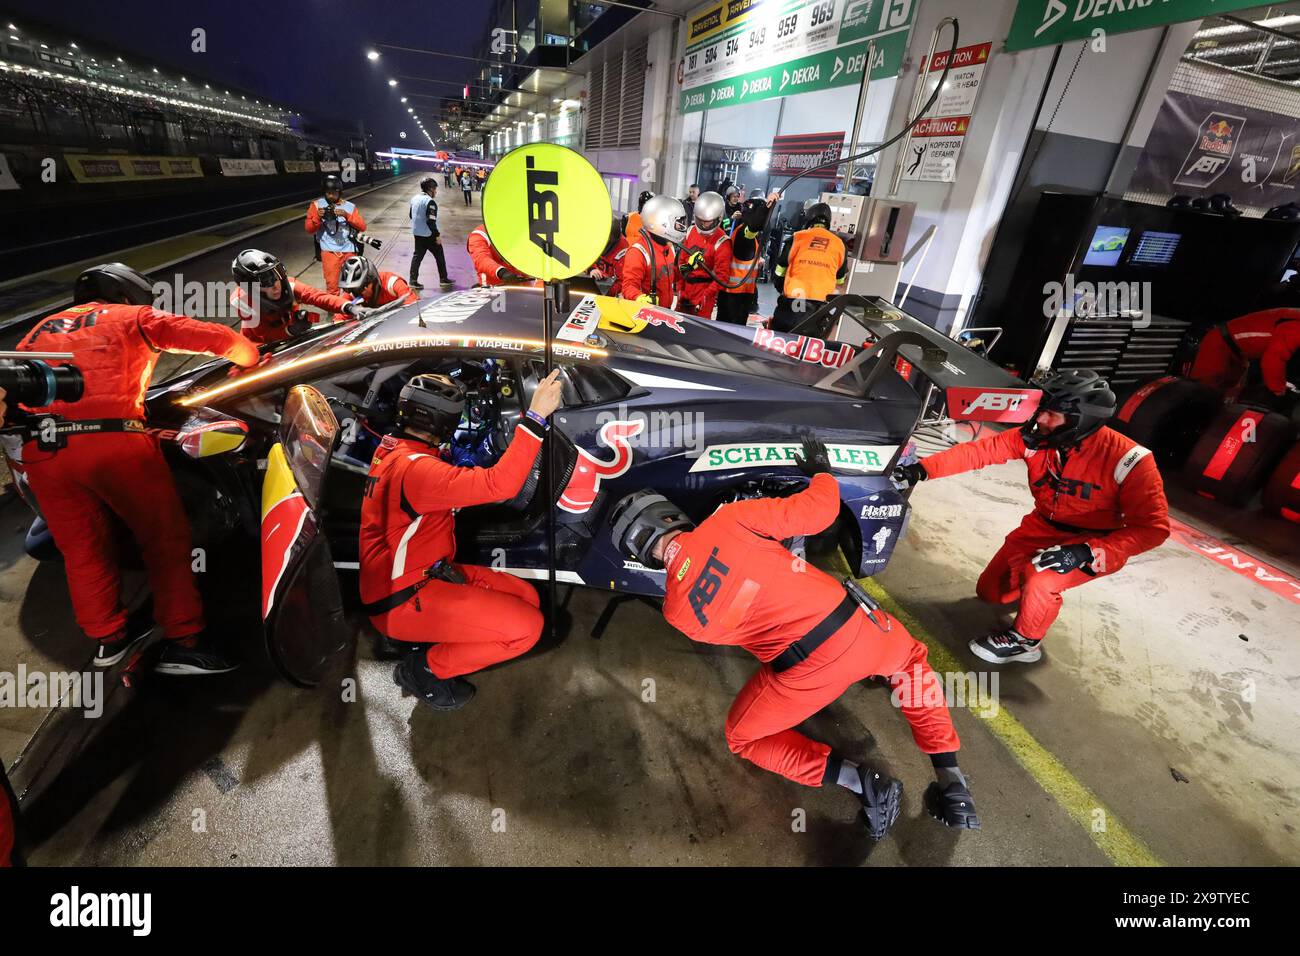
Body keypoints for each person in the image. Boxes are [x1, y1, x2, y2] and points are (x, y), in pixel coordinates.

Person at [610, 437, 979, 839]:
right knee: (910, 666)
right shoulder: (728, 520)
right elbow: (820, 512)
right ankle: (951, 779)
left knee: (744, 737)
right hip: (860, 623)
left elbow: (742, 624)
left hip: (808, 672)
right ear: (669, 516)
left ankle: (859, 781)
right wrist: (820, 472)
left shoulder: (677, 613)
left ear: (640, 553)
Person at [15, 263, 259, 673]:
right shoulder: (133, 317)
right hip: (114, 443)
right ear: (128, 295)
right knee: (165, 540)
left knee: (82, 551)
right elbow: (218, 339)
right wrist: (249, 357)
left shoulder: (38, 331)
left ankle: (109, 637)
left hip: (45, 452)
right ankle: (186, 641)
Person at [896, 370, 1170, 664]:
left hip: (1094, 541)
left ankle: (1026, 642)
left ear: (1082, 419)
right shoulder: (1039, 438)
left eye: (1051, 414)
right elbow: (979, 452)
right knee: (990, 592)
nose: (1040, 419)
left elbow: (1153, 528)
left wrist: (1085, 552)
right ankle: (1033, 593)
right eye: (1042, 410)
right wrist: (921, 470)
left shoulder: (1130, 460)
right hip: (1041, 526)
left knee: (1042, 579)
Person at [359, 368, 564, 710]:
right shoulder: (419, 472)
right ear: (442, 422)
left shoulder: (395, 449)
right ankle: (424, 670)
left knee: (526, 596)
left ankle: (434, 641)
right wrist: (536, 418)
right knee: (528, 628)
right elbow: (501, 484)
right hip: (405, 597)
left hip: (423, 573)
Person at [229, 249, 366, 344]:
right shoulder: (242, 301)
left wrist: (349, 307)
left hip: (291, 335)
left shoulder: (288, 284)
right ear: (250, 287)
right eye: (265, 281)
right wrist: (291, 330)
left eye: (276, 275)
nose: (276, 285)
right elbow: (263, 334)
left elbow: (317, 296)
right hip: (258, 346)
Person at [1188, 308, 1300, 399]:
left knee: (1226, 398)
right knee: (1201, 394)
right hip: (1219, 345)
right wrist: (1278, 390)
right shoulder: (1296, 326)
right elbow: (1273, 359)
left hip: (1238, 352)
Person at [771, 201, 845, 333]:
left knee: (784, 340)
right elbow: (840, 280)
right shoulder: (839, 244)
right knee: (811, 345)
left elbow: (780, 270)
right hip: (822, 305)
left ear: (809, 219)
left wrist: (780, 287)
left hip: (795, 300)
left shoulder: (797, 238)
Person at [305, 174, 367, 293]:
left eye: (334, 192)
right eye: (328, 192)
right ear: (324, 192)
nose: (331, 195)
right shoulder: (316, 206)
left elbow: (362, 227)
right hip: (329, 252)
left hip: (349, 250)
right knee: (332, 287)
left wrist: (346, 215)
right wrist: (317, 217)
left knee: (353, 285)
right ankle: (334, 310)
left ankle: (350, 309)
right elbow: (309, 229)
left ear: (340, 192)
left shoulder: (349, 207)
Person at [621, 195, 686, 308]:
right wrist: (640, 298)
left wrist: (687, 268)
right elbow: (628, 287)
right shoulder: (638, 252)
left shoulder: (668, 247)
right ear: (663, 222)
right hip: (647, 315)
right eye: (678, 222)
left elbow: (669, 275)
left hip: (665, 311)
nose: (681, 227)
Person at [716, 196, 772, 325]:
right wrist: (765, 209)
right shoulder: (744, 233)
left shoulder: (740, 230)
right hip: (736, 297)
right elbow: (754, 226)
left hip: (734, 293)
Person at [676, 190, 730, 319]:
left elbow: (721, 277)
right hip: (685, 290)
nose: (704, 224)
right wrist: (680, 289)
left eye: (708, 221)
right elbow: (681, 262)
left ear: (718, 218)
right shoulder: (690, 232)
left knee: (699, 332)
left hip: (704, 293)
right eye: (701, 220)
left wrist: (705, 296)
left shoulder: (722, 242)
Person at [409, 176, 453, 292]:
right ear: (430, 189)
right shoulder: (430, 202)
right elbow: (431, 221)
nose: (436, 191)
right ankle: (443, 279)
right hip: (428, 234)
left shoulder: (414, 198)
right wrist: (437, 235)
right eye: (435, 189)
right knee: (439, 255)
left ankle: (413, 281)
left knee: (417, 257)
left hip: (417, 233)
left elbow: (410, 215)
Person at [337, 256, 417, 316]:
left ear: (373, 280)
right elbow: (339, 321)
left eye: (361, 288)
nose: (359, 294)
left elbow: (415, 308)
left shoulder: (392, 283)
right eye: (354, 290)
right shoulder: (351, 294)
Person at [589, 217, 629, 297]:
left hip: (606, 292)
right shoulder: (592, 238)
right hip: (591, 283)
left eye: (607, 242)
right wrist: (591, 269)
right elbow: (582, 260)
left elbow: (622, 283)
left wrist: (601, 290)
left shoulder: (623, 251)